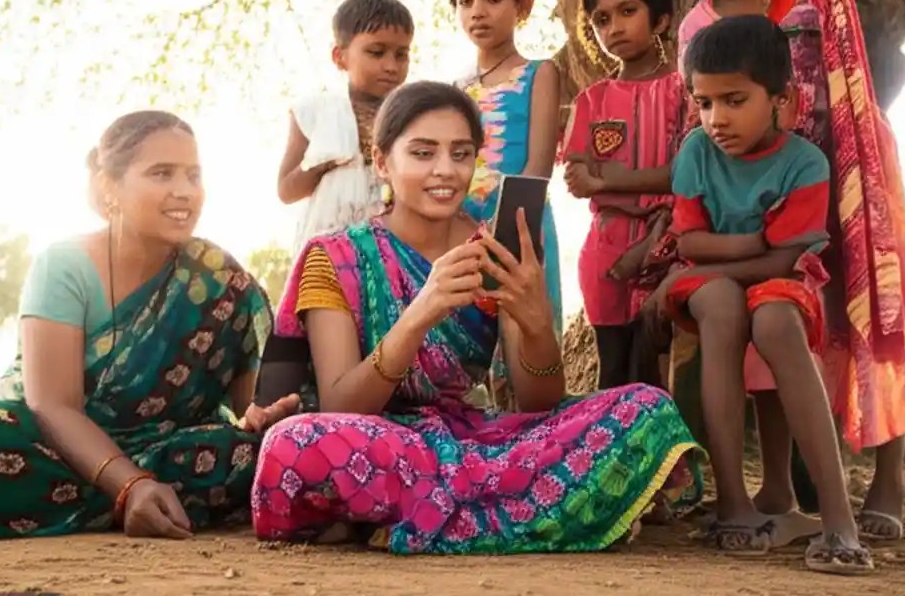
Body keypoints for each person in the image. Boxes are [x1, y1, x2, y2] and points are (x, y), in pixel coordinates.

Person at [251, 81, 703, 554]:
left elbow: (537, 404)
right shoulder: (337, 257)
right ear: (383, 161)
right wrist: (419, 315)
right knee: (295, 442)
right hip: (372, 439)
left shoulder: (493, 252)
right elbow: (341, 406)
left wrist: (534, 322)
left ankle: (408, 513)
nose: (445, 170)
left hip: (473, 441)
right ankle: (517, 511)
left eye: (461, 153)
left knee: (647, 408)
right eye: (423, 153)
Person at [646, 0, 905, 543]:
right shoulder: (696, 24)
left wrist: (847, 180)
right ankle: (775, 483)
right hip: (754, 190)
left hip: (848, 162)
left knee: (871, 310)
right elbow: (702, 120)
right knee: (778, 316)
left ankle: (888, 480)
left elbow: (848, 64)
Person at [0, 111, 299, 539]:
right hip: (52, 445)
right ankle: (140, 502)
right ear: (110, 187)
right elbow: (53, 406)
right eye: (161, 174)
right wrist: (131, 485)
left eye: (193, 175)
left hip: (171, 451)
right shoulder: (64, 266)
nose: (184, 192)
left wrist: (262, 414)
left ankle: (125, 502)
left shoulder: (218, 278)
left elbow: (249, 409)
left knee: (268, 451)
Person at [653, 15, 871, 574]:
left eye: (734, 99)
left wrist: (727, 253)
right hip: (715, 281)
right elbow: (691, 240)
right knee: (722, 306)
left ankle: (838, 520)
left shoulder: (804, 163)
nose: (716, 118)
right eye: (704, 102)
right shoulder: (697, 151)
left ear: (781, 99)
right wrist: (755, 238)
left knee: (775, 321)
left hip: (780, 280)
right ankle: (733, 503)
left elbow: (783, 261)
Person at [562, 0, 687, 391]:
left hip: (671, 241)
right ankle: (610, 454)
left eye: (627, 11)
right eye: (601, 19)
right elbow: (578, 178)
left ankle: (664, 457)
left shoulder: (685, 90)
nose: (614, 26)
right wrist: (607, 182)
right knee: (612, 367)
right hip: (606, 250)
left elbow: (684, 175)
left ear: (662, 18)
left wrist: (608, 181)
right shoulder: (592, 100)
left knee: (654, 363)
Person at [448, 0, 563, 408]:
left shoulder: (540, 73)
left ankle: (532, 437)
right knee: (471, 340)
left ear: (524, 5)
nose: (478, 10)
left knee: (521, 337)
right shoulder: (453, 90)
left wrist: (510, 235)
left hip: (519, 225)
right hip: (461, 231)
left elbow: (537, 166)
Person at [278, 0, 415, 253]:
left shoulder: (412, 117)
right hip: (326, 247)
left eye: (401, 55)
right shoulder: (315, 111)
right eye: (376, 53)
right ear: (340, 57)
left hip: (392, 247)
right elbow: (286, 190)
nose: (391, 66)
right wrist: (324, 164)